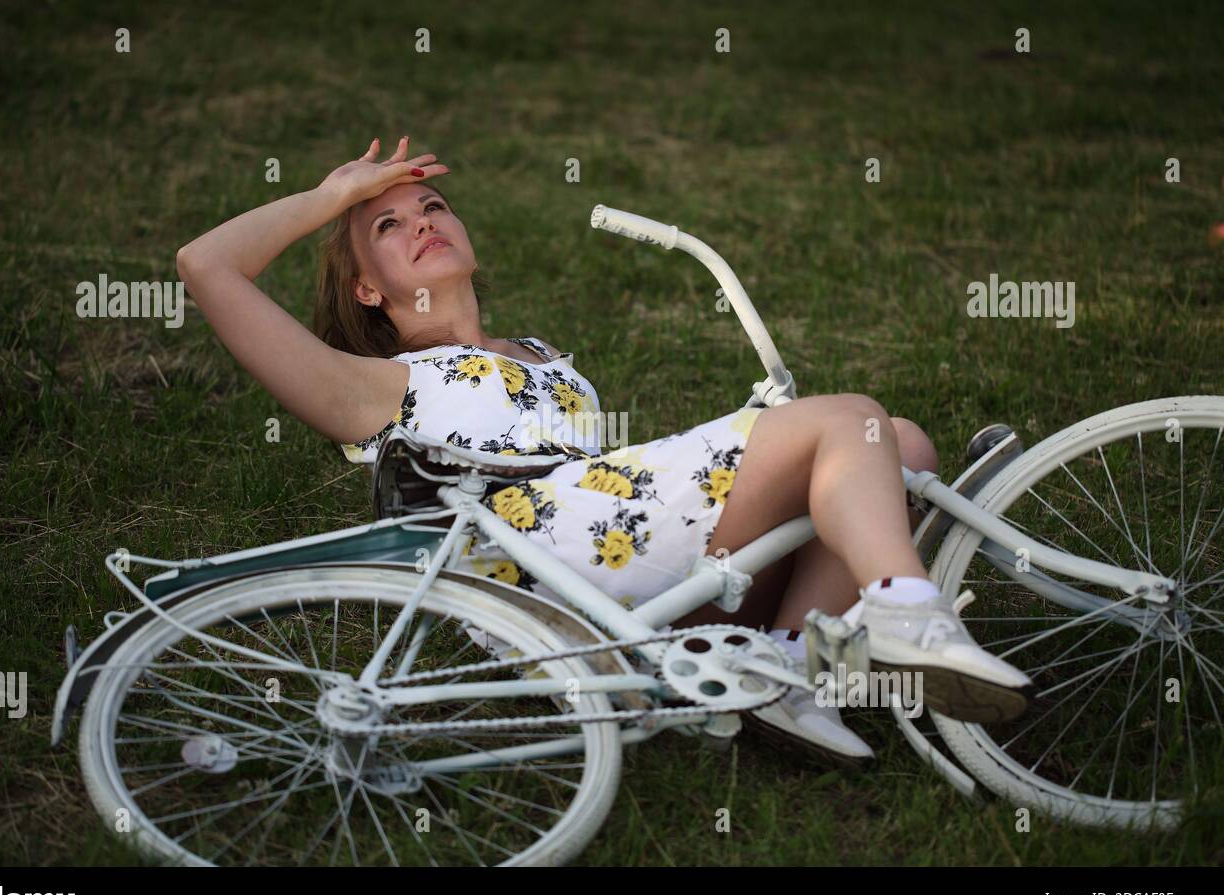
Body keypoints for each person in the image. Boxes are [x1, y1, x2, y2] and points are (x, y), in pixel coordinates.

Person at [175, 134, 1033, 765]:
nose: (422, 220)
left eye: (432, 203)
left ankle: (782, 672)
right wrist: (334, 196)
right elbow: (206, 264)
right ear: (368, 287)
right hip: (536, 567)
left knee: (900, 442)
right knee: (850, 422)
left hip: (623, 562)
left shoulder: (547, 362)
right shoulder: (384, 383)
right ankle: (901, 607)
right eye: (388, 226)